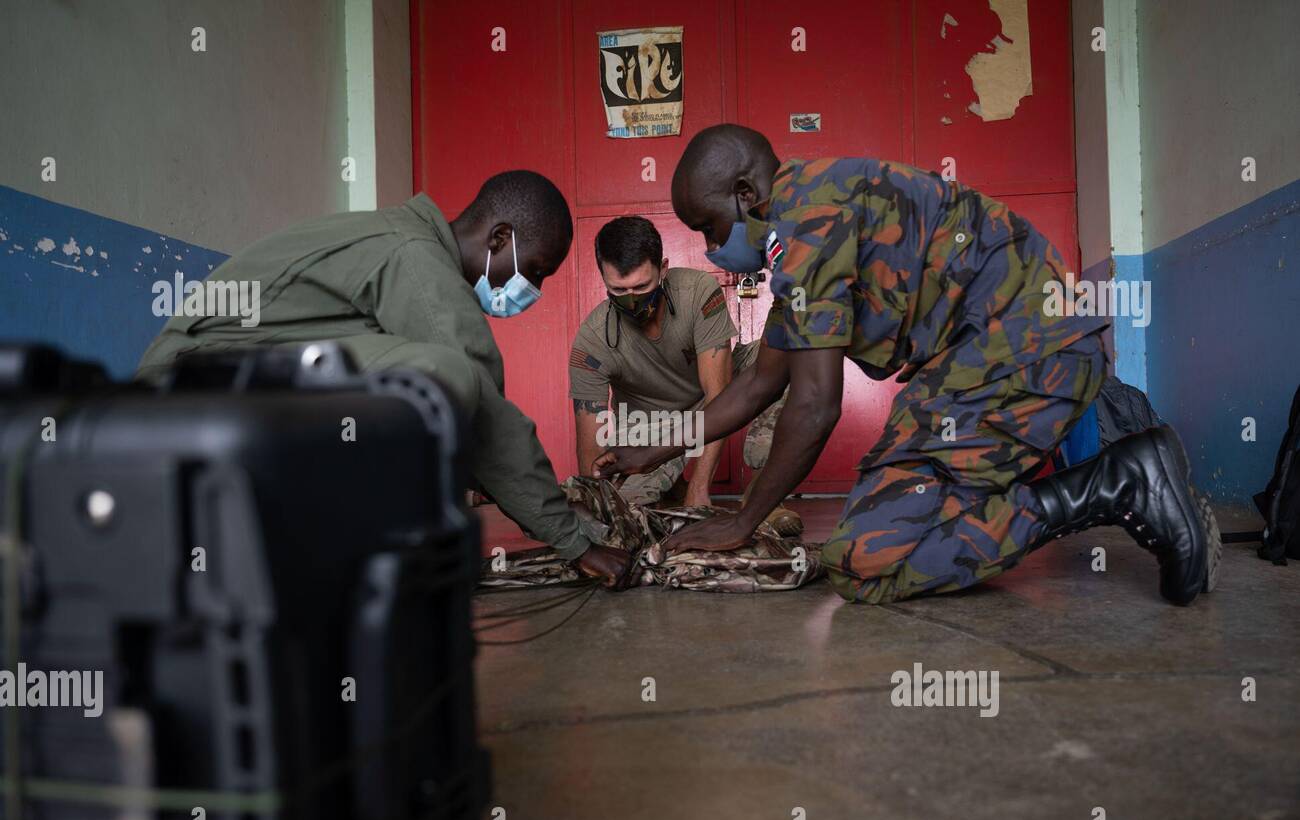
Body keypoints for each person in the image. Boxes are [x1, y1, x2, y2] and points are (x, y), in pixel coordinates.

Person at [595, 124, 1219, 605]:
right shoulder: (807, 216)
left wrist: (743, 521)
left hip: (1020, 358)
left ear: (746, 193)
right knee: (883, 532)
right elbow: (763, 381)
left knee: (866, 560)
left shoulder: (804, 222)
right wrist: (659, 446)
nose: (709, 248)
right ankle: (1108, 480)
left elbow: (814, 406)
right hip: (996, 363)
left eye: (708, 226)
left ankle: (1114, 485)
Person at [135, 171, 635, 588]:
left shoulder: (404, 243)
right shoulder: (413, 258)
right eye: (536, 271)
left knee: (426, 380)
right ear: (499, 239)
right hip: (189, 390)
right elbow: (488, 416)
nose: (534, 290)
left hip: (215, 386)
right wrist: (575, 542)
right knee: (446, 376)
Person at [569, 215, 799, 533]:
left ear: (663, 270)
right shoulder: (592, 341)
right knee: (628, 512)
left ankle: (763, 496)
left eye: (641, 286)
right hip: (648, 427)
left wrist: (699, 490)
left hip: (712, 399)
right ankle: (671, 491)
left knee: (788, 355)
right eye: (618, 290)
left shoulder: (698, 291)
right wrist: (601, 508)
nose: (632, 300)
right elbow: (590, 447)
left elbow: (717, 394)